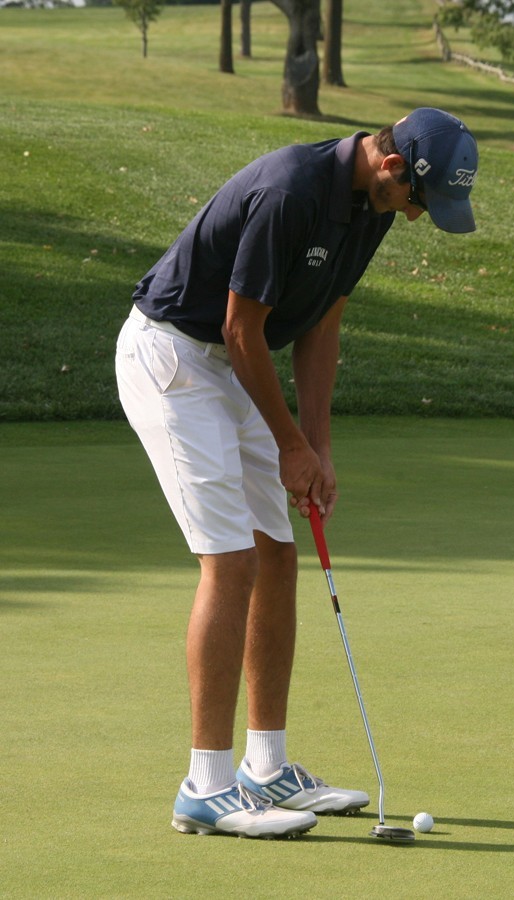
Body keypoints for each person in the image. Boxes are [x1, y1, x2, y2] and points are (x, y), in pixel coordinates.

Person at [115, 107, 478, 839]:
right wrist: (288, 446)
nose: (415, 217)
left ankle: (265, 767)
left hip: (230, 366)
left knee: (278, 552)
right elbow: (240, 327)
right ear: (392, 166)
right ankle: (205, 785)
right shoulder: (292, 190)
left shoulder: (370, 208)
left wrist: (317, 446)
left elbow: (323, 324)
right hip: (174, 359)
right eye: (417, 200)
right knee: (232, 558)